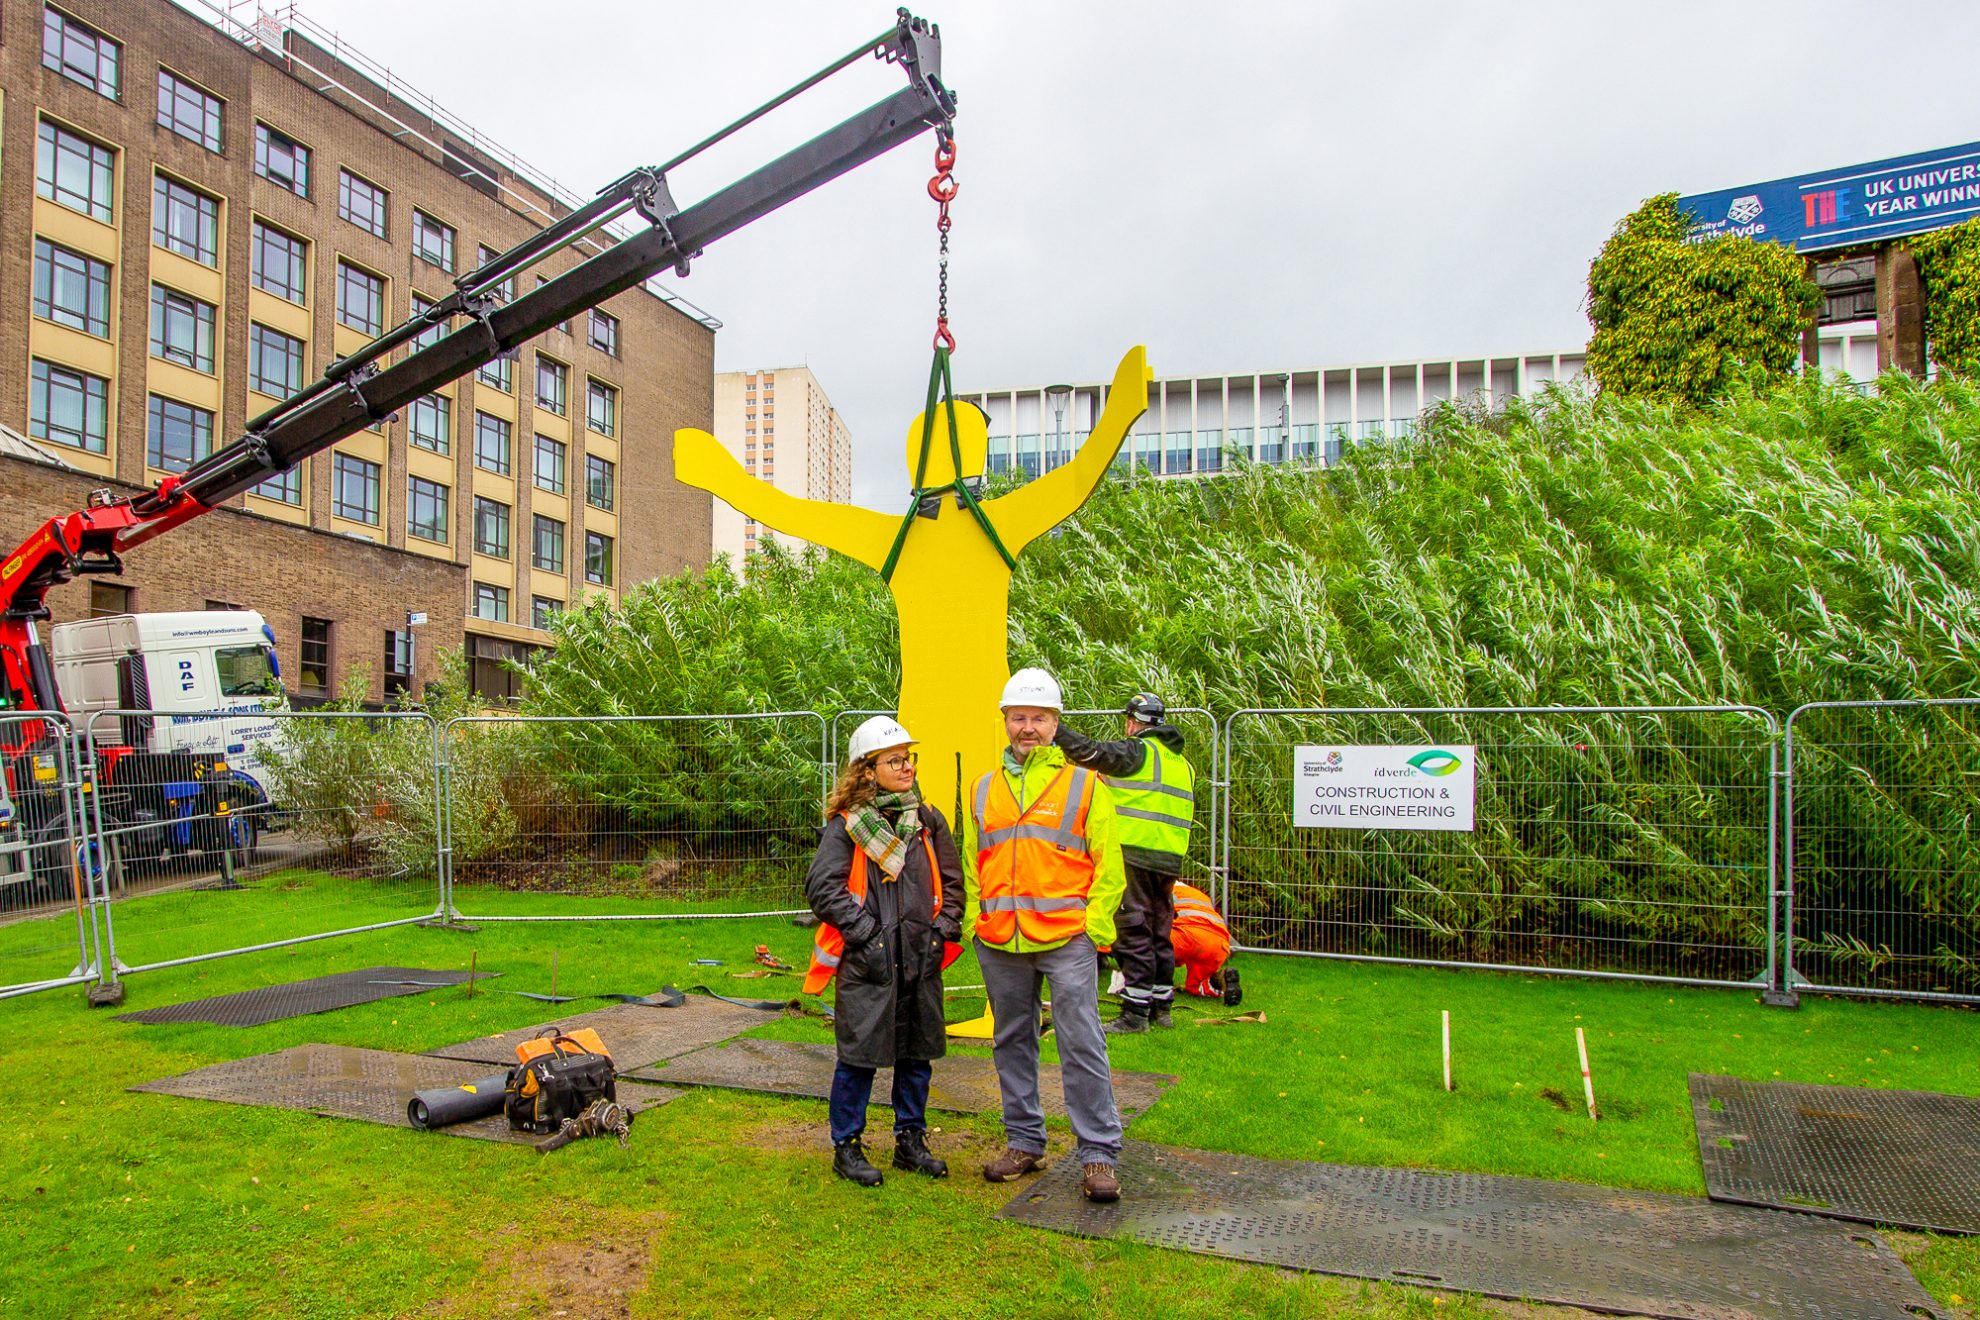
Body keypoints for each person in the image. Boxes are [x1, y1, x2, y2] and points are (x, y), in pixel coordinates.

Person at [961, 668, 1128, 1203]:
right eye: (1018, 717)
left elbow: (1109, 866)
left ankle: (1098, 1153)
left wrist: (1094, 930)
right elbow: (972, 863)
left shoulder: (1084, 785)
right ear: (1005, 721)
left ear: (1056, 724)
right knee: (1011, 1041)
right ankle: (1024, 1142)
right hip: (1000, 940)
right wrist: (974, 922)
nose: (1027, 727)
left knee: (1082, 1042)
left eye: (1038, 718)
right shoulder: (982, 788)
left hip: (1066, 939)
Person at [803, 715, 963, 1187]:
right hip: (869, 964)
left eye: (908, 758)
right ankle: (847, 1146)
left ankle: (910, 1141)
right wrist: (867, 935)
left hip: (919, 959)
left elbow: (953, 884)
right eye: (895, 760)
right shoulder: (847, 827)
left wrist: (939, 934)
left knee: (916, 1057)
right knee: (858, 1059)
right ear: (867, 771)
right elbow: (822, 888)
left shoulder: (927, 821)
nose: (907, 767)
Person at [1055, 693, 1195, 1033]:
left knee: (1132, 930)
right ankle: (1161, 1007)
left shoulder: (1138, 751)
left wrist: (1054, 727)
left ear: (1132, 723)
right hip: (1169, 858)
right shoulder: (1181, 763)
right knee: (1159, 931)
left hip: (1132, 853)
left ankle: (1135, 1013)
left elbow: (1090, 752)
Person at [1171, 880, 1240, 1005]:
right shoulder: (1198, 894)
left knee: (1146, 948)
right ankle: (1218, 980)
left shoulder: (1156, 887)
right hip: (1218, 942)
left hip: (1185, 937)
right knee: (1196, 986)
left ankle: (1146, 984)